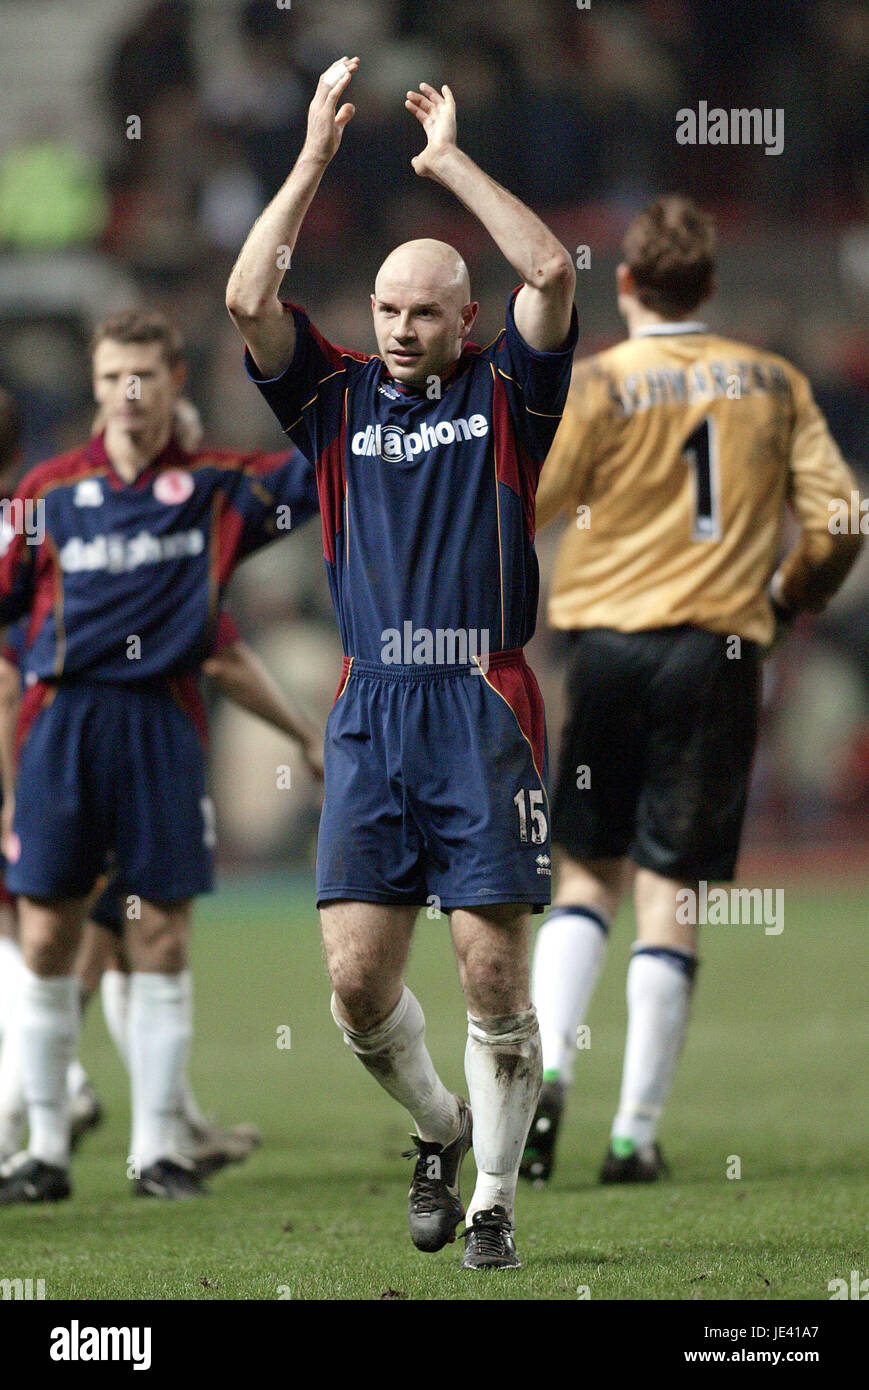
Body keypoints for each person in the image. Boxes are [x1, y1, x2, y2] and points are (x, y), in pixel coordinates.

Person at [227, 56, 577, 1268]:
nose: (399, 328)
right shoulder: (334, 400)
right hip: (370, 703)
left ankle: (493, 1203)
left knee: (490, 972)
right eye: (385, 309)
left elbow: (550, 271)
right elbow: (246, 296)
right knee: (355, 985)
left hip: (482, 699)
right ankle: (439, 1127)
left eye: (423, 312)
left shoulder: (511, 394)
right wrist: (313, 158)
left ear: (463, 321)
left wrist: (446, 165)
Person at [520, 194, 864, 1185]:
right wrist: (788, 596)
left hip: (605, 648)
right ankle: (633, 1135)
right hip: (716, 652)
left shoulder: (597, 382)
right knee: (669, 886)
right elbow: (842, 517)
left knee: (586, 873)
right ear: (709, 286)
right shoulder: (770, 381)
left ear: (625, 283)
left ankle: (543, 1075)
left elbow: (522, 502)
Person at [0, 308, 319, 1204]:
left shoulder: (221, 487)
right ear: (95, 385)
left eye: (143, 375)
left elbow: (326, 459)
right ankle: (44, 1152)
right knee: (48, 935)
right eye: (111, 377)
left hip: (162, 725)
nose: (127, 394)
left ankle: (157, 1153)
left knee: (161, 935)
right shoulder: (47, 491)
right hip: (62, 726)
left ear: (176, 380)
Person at [0, 603, 324, 1170]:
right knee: (93, 953)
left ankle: (166, 1126)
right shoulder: (155, 570)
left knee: (105, 949)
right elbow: (224, 658)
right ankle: (34, 1124)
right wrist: (304, 735)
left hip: (55, 760)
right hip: (101, 759)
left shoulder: (48, 567)